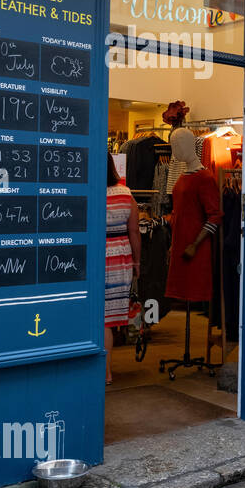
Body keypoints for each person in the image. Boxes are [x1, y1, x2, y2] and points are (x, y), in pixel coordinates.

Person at [105, 153, 140, 385]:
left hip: (97, 258)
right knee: (108, 320)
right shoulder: (127, 195)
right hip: (121, 260)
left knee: (100, 320)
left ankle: (104, 371)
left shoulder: (90, 193)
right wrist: (138, 263)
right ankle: (106, 370)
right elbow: (135, 233)